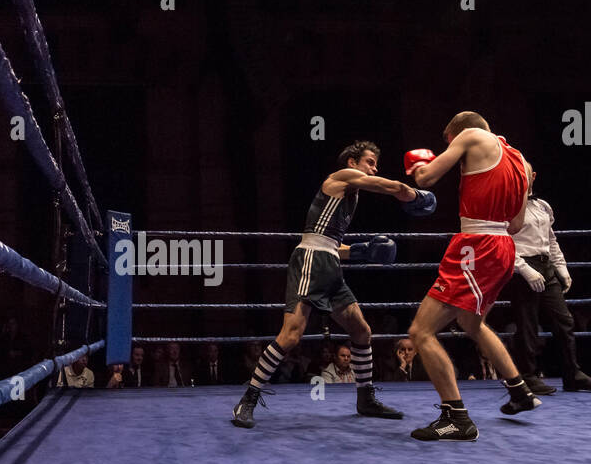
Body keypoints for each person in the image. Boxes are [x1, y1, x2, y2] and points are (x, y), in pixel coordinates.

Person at [231, 140, 436, 427]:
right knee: (291, 335)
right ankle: (248, 398)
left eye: (375, 164)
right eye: (369, 162)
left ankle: (365, 398)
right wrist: (414, 193)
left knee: (362, 331)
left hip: (329, 262)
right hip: (311, 261)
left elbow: (330, 243)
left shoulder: (350, 195)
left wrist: (360, 251)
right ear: (353, 162)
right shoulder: (341, 177)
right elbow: (389, 187)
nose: (374, 168)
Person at [403, 112, 543, 440]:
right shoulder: (520, 160)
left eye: (450, 144)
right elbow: (517, 224)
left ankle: (456, 418)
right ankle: (520, 391)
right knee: (471, 324)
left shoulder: (470, 136)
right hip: (504, 246)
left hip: (476, 246)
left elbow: (425, 180)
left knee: (420, 331)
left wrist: (416, 166)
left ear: (458, 134)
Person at [507, 166, 591, 394]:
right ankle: (528, 377)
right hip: (522, 267)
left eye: (526, 174)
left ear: (533, 176)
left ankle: (573, 375)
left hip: (546, 265)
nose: (523, 178)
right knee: (527, 325)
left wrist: (561, 267)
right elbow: (503, 242)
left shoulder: (543, 205)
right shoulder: (507, 205)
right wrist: (523, 269)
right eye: (518, 174)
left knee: (564, 321)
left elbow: (551, 240)